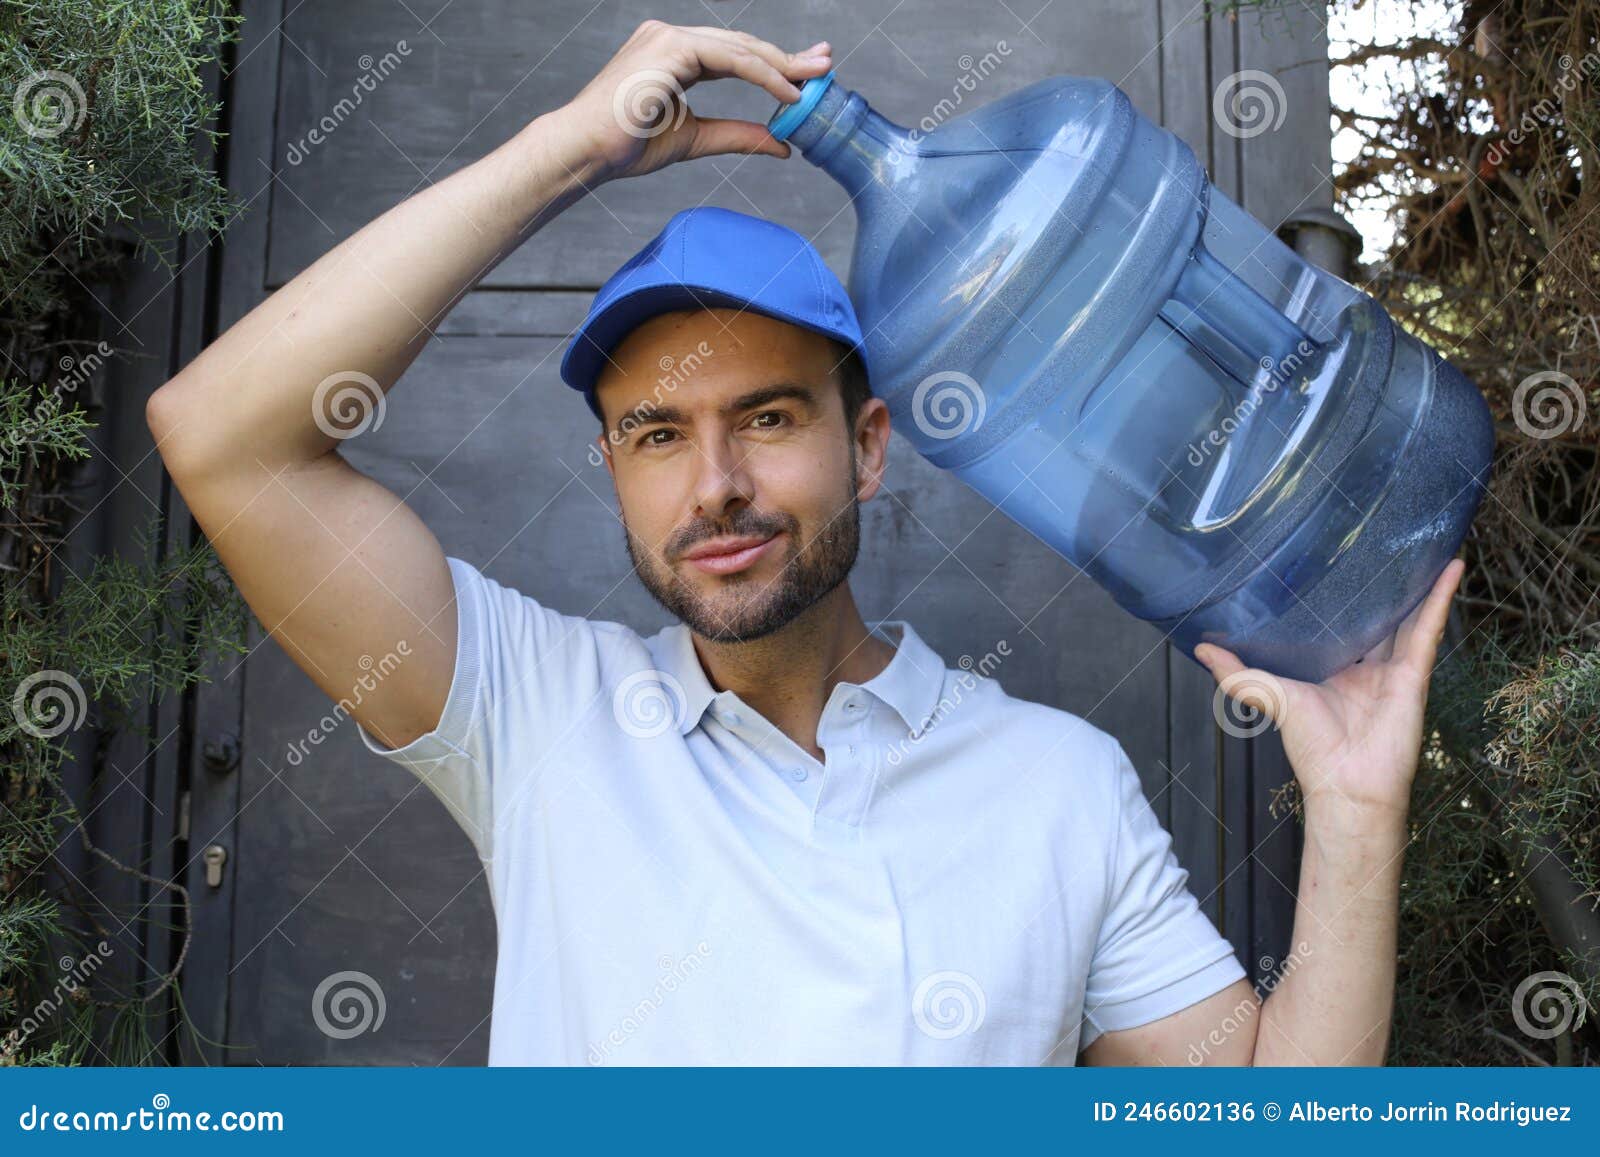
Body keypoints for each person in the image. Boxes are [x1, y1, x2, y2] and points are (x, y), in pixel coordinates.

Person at [146, 20, 1465, 1066]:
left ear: (872, 442)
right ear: (610, 468)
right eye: (657, 433)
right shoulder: (533, 715)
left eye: (766, 417)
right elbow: (220, 434)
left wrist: (1354, 808)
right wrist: (569, 148)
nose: (714, 485)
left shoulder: (1062, 786)